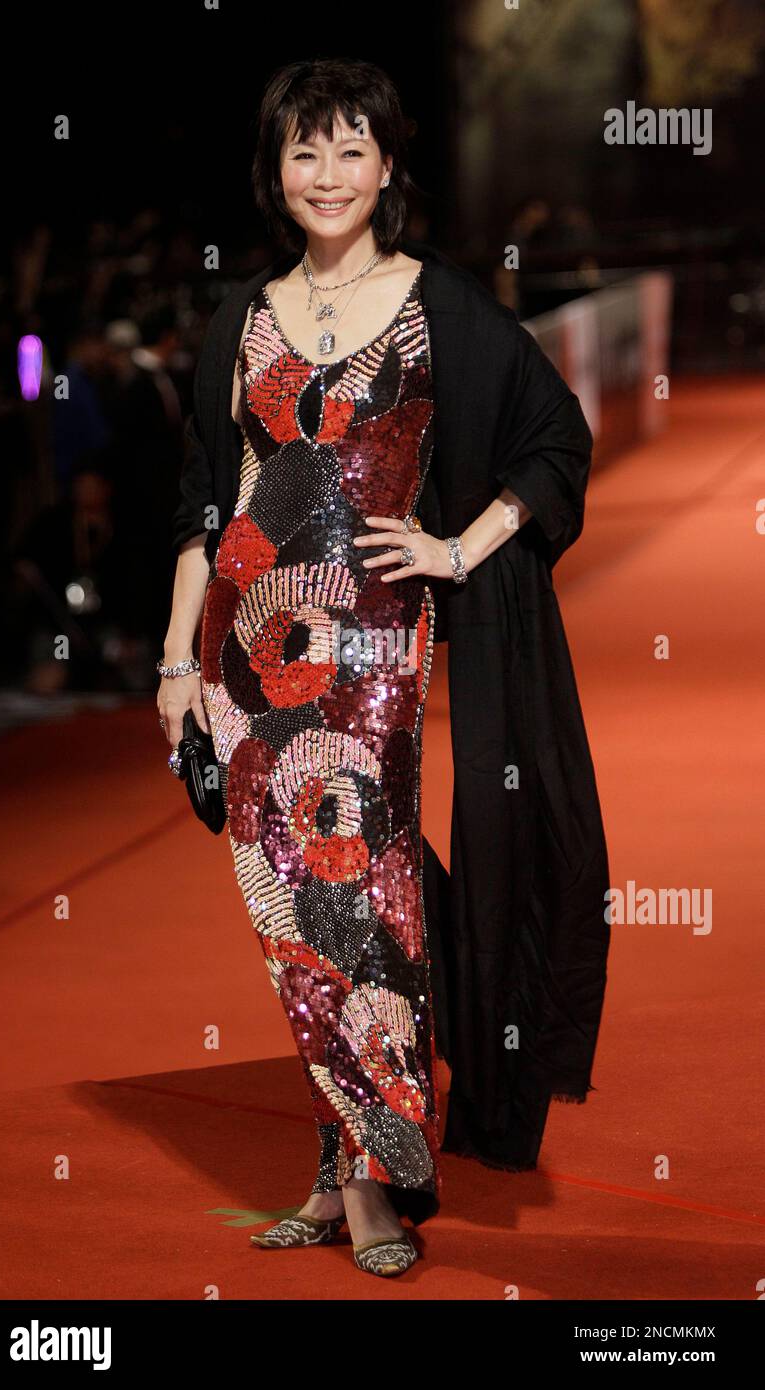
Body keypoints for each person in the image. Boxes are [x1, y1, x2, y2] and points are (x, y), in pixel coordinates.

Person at [158, 58, 611, 1280]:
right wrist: (170, 664)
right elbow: (207, 508)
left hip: (371, 659)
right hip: (241, 660)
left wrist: (460, 546)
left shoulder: (438, 307)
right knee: (291, 922)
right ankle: (333, 1164)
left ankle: (371, 1183)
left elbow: (555, 438)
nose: (327, 174)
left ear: (389, 167)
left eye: (350, 148)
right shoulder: (237, 320)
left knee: (365, 904)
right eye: (305, 152)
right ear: (276, 171)